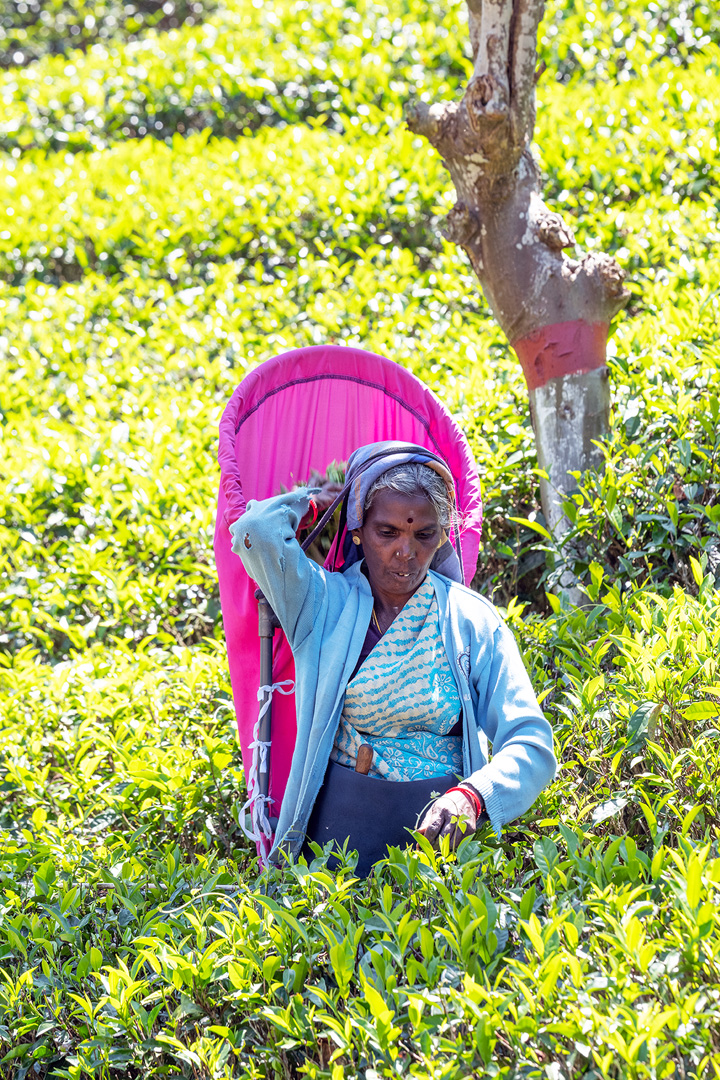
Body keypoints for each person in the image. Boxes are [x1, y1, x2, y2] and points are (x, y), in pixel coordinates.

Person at [231, 441, 556, 875]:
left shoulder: (469, 619)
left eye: (424, 535)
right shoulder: (321, 603)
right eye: (387, 533)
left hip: (441, 852)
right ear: (357, 530)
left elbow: (531, 742)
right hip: (333, 855)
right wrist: (317, 501)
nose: (406, 552)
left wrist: (474, 797)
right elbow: (255, 531)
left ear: (441, 535)